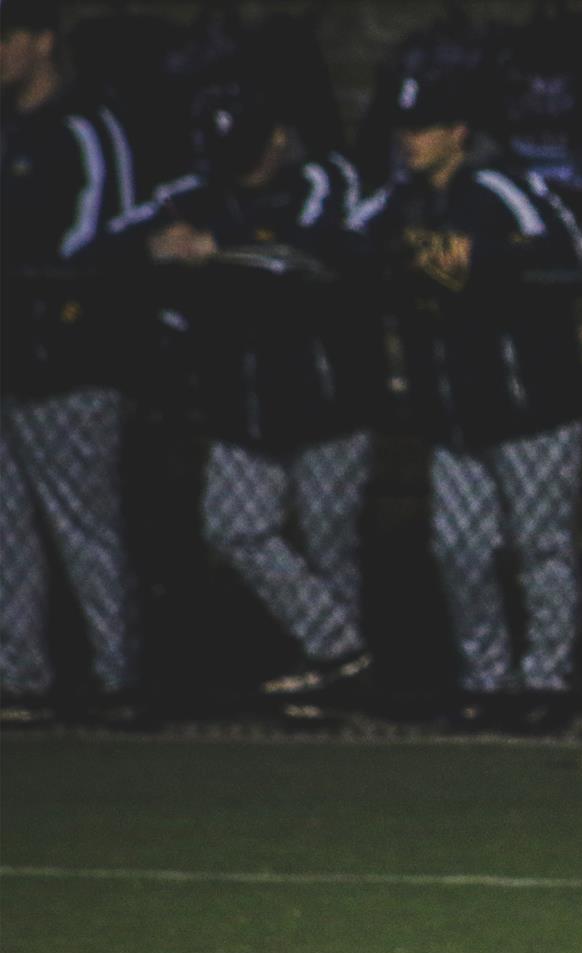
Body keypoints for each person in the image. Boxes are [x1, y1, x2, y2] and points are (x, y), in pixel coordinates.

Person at [350, 68, 582, 735]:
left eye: (423, 127)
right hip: (452, 414)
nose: (410, 140)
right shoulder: (403, 198)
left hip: (529, 406)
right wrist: (437, 255)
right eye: (404, 128)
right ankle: (486, 682)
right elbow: (346, 241)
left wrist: (434, 258)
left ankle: (546, 685)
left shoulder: (500, 187)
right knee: (458, 548)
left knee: (540, 549)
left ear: (458, 131)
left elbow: (565, 249)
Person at [132, 78, 379, 716]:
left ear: (279, 135)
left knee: (330, 545)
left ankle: (333, 686)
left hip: (328, 398)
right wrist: (153, 251)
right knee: (233, 528)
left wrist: (216, 254)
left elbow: (311, 258)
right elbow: (118, 243)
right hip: (238, 402)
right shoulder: (190, 193)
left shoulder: (328, 181)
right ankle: (339, 651)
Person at [0, 0, 146, 727]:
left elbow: (101, 235)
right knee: (6, 530)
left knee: (85, 526)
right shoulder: (9, 127)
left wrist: (44, 297)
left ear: (43, 41)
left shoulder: (86, 125)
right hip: (7, 360)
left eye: (7, 36)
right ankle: (20, 678)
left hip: (70, 363)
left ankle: (117, 679)